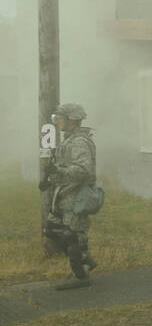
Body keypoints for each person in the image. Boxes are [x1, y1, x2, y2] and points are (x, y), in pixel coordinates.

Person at [41, 103, 99, 290]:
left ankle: (80, 276)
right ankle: (85, 260)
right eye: (55, 118)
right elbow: (66, 166)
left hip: (76, 196)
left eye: (60, 118)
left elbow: (84, 170)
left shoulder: (80, 142)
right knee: (51, 229)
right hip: (64, 194)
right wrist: (51, 179)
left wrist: (59, 171)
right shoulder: (69, 140)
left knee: (73, 234)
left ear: (72, 120)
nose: (57, 122)